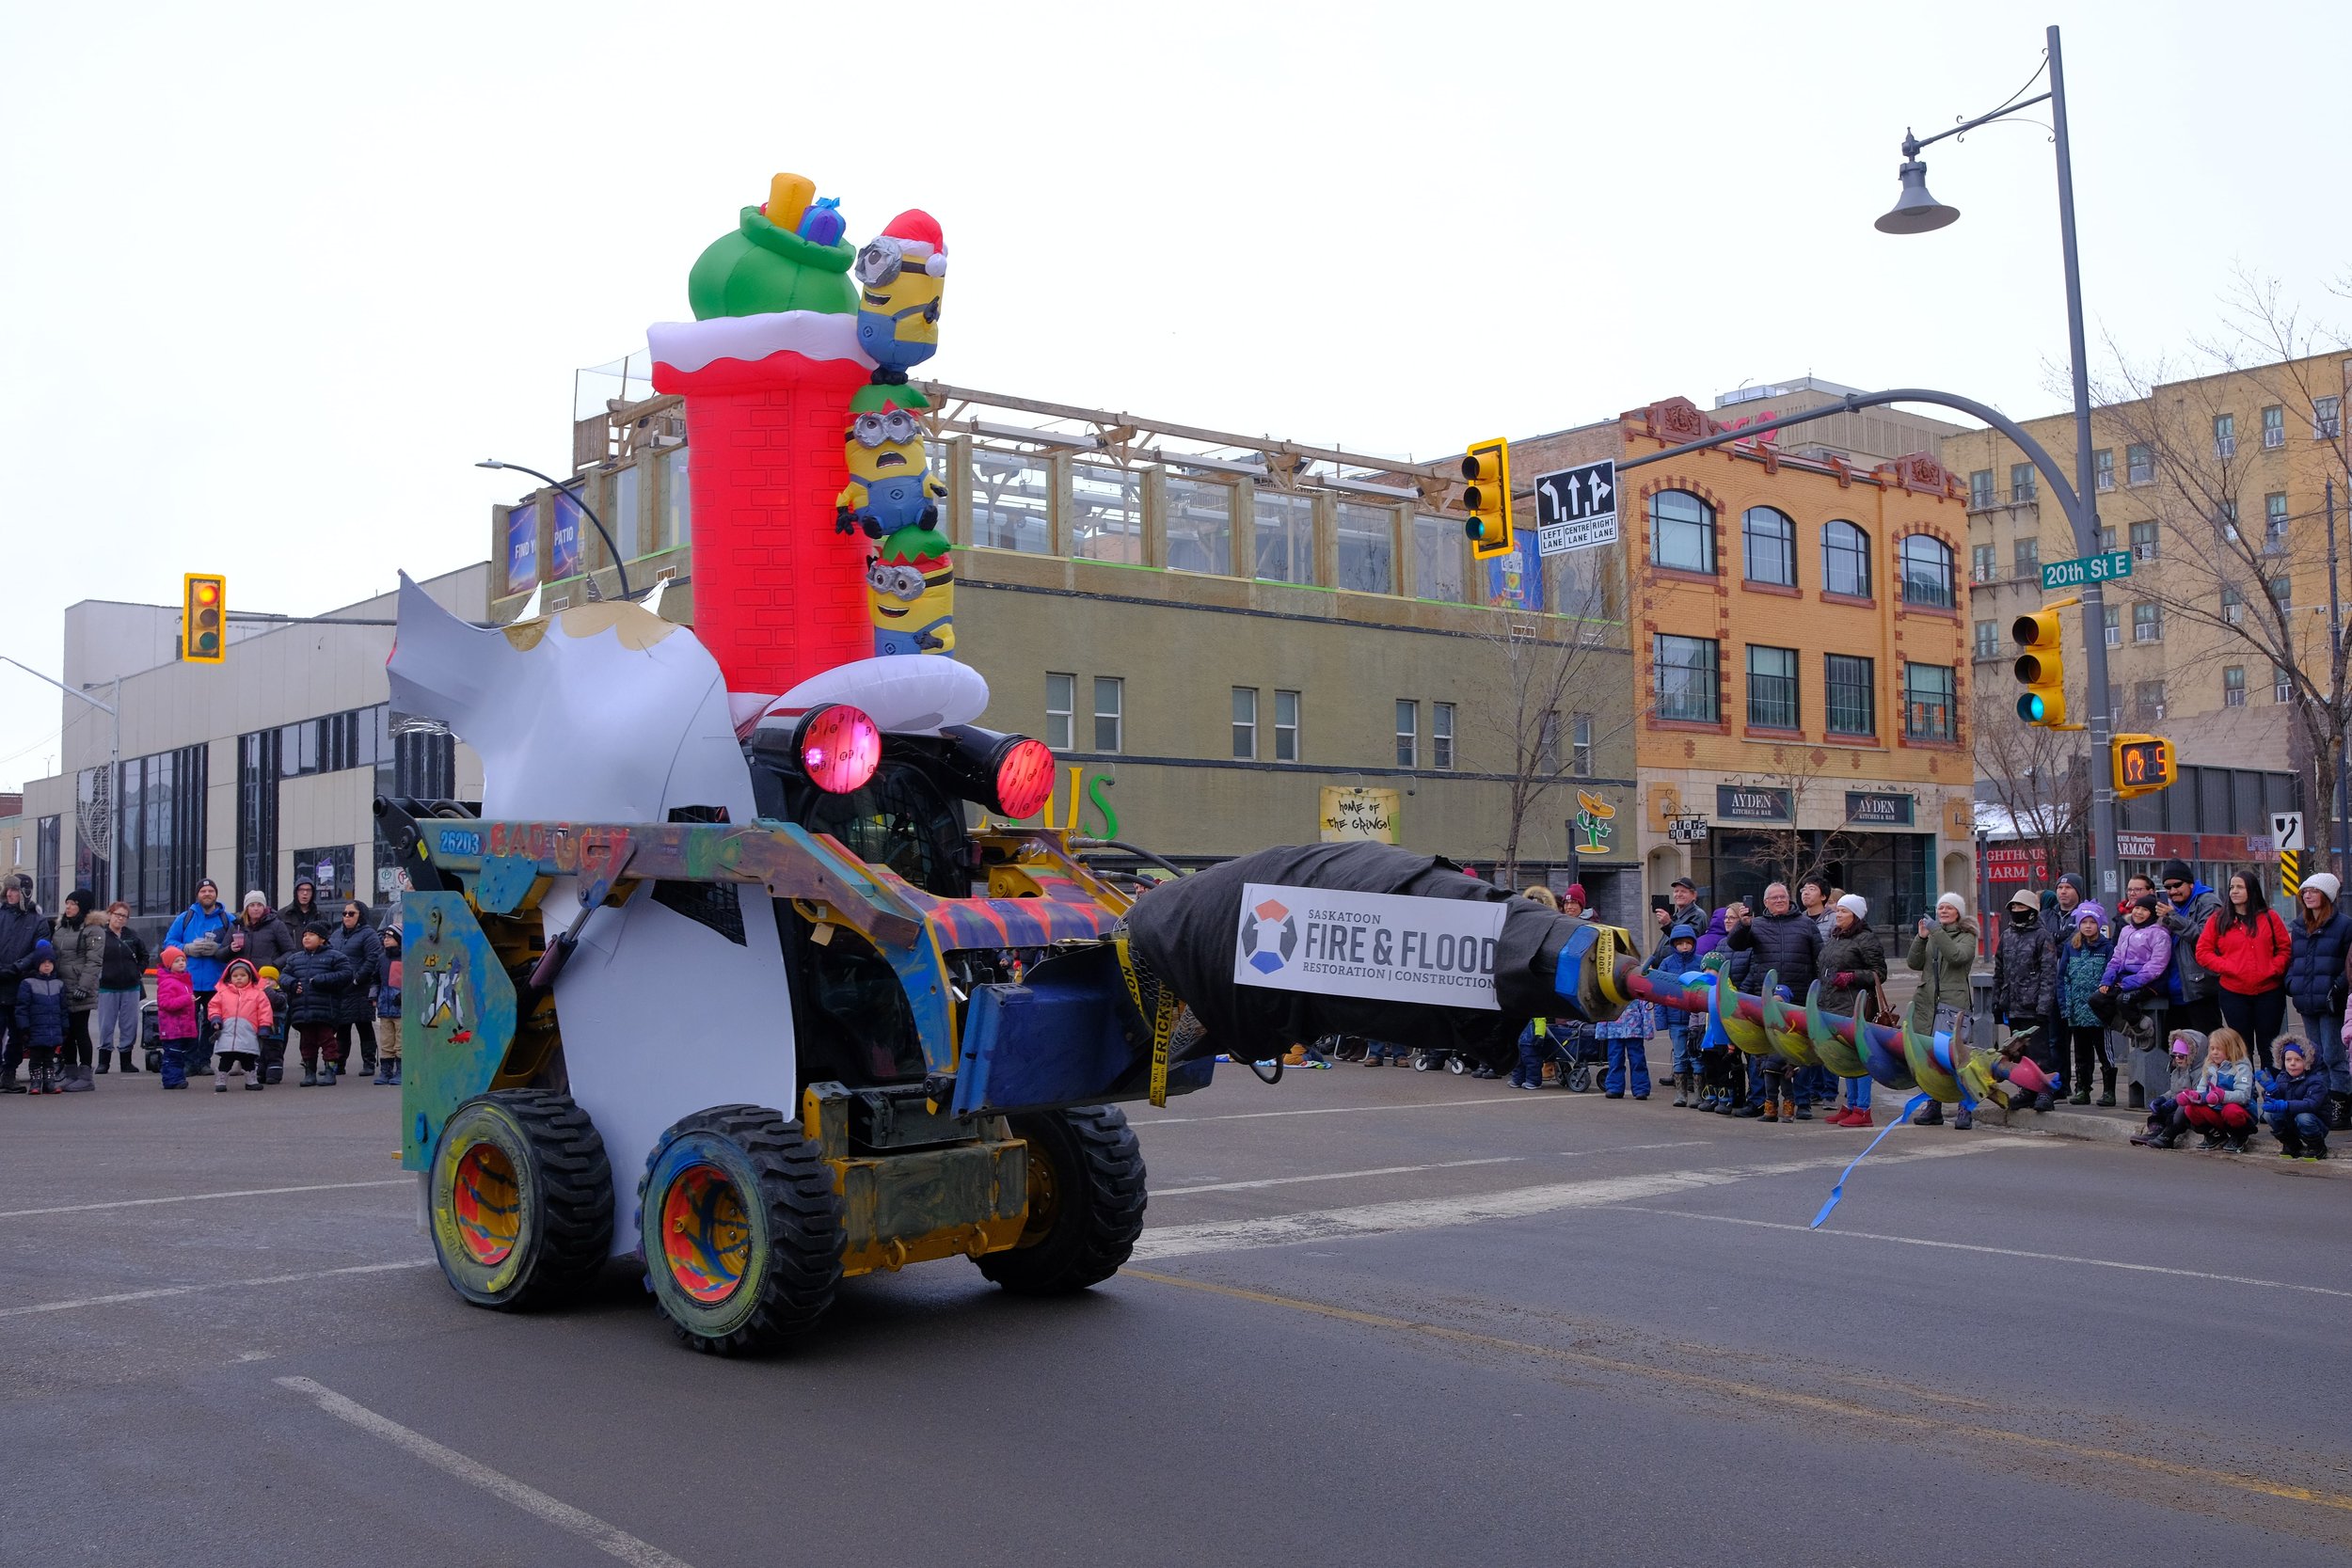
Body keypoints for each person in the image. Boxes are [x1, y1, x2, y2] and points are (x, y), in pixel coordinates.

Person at [1727, 882, 1821, 1121]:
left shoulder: (1806, 924)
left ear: (1789, 899)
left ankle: (1802, 1103)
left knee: (1798, 1053)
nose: (1779, 901)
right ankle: (1763, 1102)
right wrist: (1743, 925)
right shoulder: (1756, 924)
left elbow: (1820, 959)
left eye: (1783, 897)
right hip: (1766, 999)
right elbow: (1735, 944)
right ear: (1765, 902)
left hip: (1798, 999)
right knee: (1763, 1053)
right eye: (1774, 898)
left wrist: (1819, 993)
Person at [2195, 871, 2291, 1073]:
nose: (2234, 891)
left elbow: (2285, 949)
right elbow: (2203, 952)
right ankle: (2246, 1093)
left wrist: (2273, 968)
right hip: (2234, 993)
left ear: (2252, 889)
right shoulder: (2219, 919)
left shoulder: (2270, 917)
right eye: (2231, 887)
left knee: (2270, 1046)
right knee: (2240, 1047)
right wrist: (2227, 967)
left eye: (2240, 887)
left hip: (2269, 992)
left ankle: (2272, 1095)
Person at [2282, 872, 2352, 1132]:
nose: (2308, 895)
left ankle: (2341, 1104)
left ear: (2328, 896)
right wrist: (2292, 983)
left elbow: (2349, 963)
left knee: (2334, 1054)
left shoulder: (2344, 925)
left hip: (2331, 999)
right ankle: (2321, 1101)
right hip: (2306, 998)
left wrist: (2337, 987)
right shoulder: (2299, 926)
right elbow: (2293, 960)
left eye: (2314, 891)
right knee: (2315, 1056)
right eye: (2305, 892)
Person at [1908, 892, 1979, 1129]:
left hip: (1952, 1006)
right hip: (1928, 1004)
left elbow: (1957, 956)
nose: (1943, 912)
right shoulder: (1932, 935)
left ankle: (1964, 1109)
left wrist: (1936, 932)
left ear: (1958, 912)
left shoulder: (1967, 936)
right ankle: (1933, 1106)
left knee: (1957, 1059)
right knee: (1931, 1059)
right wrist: (1921, 937)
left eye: (1949, 908)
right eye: (1940, 908)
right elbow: (1914, 963)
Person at [1818, 893, 1887, 1128]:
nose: (1838, 915)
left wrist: (1852, 976)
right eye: (1837, 911)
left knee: (1860, 1059)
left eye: (1844, 912)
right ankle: (1850, 1104)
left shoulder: (1866, 939)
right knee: (1847, 1058)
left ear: (1855, 915)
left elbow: (1879, 973)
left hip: (1856, 1007)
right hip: (1834, 1005)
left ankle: (1863, 1108)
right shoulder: (1836, 937)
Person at [1991, 888, 2060, 1109]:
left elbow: (2049, 974)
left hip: (2034, 1007)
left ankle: (2045, 1091)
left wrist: (2043, 1007)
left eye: (2021, 907)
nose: (2016, 911)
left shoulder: (2042, 936)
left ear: (2032, 911)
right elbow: (1999, 970)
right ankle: (2027, 1090)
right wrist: (1997, 1002)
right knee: (2018, 1053)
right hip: (2013, 1005)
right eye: (2014, 907)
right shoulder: (2007, 936)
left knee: (2040, 1053)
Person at [163, 879, 234, 1070]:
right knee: (188, 1022)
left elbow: (236, 946)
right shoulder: (185, 918)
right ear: (198, 895)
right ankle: (189, 1061)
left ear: (216, 894)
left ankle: (204, 1061)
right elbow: (168, 943)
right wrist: (186, 948)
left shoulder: (228, 919)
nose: (207, 894)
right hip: (188, 982)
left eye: (211, 890)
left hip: (216, 981)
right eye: (203, 891)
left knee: (213, 1023)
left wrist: (218, 949)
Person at [2054, 902, 2116, 1105]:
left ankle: (2109, 1091)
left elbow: (2112, 975)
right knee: (2081, 1054)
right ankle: (2082, 1089)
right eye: (2084, 922)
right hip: (2077, 1012)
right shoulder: (2071, 948)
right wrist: (2065, 1005)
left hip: (2099, 1012)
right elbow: (2063, 977)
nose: (2088, 926)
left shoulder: (2107, 948)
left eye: (2092, 922)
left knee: (2104, 1052)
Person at [49, 888, 107, 1092]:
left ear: (82, 906)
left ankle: (85, 1076)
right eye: (67, 903)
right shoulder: (61, 928)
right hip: (61, 987)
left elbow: (94, 962)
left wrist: (83, 986)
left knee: (80, 1030)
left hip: (80, 988)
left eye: (73, 903)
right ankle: (70, 1072)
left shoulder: (93, 930)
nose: (68, 907)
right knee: (66, 1033)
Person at [2157, 861, 2223, 1036]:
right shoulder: (2170, 907)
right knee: (2178, 1051)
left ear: (2191, 883)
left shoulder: (2208, 903)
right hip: (2173, 993)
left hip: (2200, 990)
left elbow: (2205, 937)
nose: (2172, 891)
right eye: (2167, 887)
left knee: (2208, 1046)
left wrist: (2172, 917)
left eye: (2177, 885)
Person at [281, 921, 352, 1085]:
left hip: (326, 1009)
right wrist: (291, 984)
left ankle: (330, 1072)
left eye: (311, 935)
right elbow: (283, 976)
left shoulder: (335, 956)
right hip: (302, 1011)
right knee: (307, 1043)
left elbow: (346, 974)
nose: (306, 938)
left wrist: (323, 980)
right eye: (305, 935)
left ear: (322, 939)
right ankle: (309, 1073)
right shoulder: (295, 959)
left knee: (328, 1042)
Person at [0, 873, 47, 1092]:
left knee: (18, 1034)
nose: (9, 893)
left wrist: (17, 967)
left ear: (25, 892)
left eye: (14, 890)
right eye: (8, 889)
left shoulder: (37, 920)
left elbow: (40, 950)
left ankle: (9, 1073)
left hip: (21, 985)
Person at [2177, 1026, 2258, 1152]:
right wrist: (2193, 1096)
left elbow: (2243, 1096)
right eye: (2212, 1048)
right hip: (2217, 1110)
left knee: (2231, 1111)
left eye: (2219, 1049)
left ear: (2231, 1049)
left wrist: (2221, 1095)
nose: (2214, 1052)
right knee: (2190, 1109)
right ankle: (2216, 1135)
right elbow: (2202, 1090)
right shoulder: (2210, 1066)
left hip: (2240, 1111)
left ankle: (2240, 1136)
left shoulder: (2241, 1067)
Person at [1649, 922, 1702, 1105]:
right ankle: (1680, 1095)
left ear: (1693, 943)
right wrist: (1661, 1020)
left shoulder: (1700, 962)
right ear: (1673, 944)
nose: (1684, 947)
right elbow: (1659, 994)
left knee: (1696, 1056)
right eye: (1680, 943)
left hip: (1695, 1019)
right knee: (1679, 1055)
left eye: (1688, 943)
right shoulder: (1666, 963)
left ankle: (1698, 1095)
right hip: (1675, 1019)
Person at [94, 900, 148, 1075]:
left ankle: (126, 1061)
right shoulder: (100, 936)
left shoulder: (132, 936)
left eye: (124, 916)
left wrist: (138, 972)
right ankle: (104, 1062)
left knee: (129, 1025)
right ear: (109, 914)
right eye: (117, 914)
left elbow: (144, 955)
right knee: (106, 1025)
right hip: (107, 987)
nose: (120, 918)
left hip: (130, 987)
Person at [2130, 1028, 2208, 1148]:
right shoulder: (2178, 1070)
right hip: (2177, 1103)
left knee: (2176, 1115)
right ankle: (2155, 1131)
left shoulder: (2200, 1073)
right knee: (2158, 1112)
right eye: (2174, 1055)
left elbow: (2197, 1094)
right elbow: (2174, 1089)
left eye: (2181, 1056)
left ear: (2193, 1054)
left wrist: (2176, 1100)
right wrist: (2163, 1098)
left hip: (2189, 1107)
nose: (2177, 1059)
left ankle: (2167, 1136)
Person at [330, 901, 381, 1076]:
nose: (346, 917)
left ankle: (368, 1063)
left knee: (364, 1026)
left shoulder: (369, 935)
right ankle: (339, 1063)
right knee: (342, 1027)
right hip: (341, 988)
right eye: (344, 913)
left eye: (351, 914)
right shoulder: (336, 935)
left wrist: (358, 979)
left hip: (361, 988)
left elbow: (372, 959)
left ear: (361, 915)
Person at [207, 958, 272, 1092]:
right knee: (226, 1058)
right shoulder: (222, 993)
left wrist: (264, 1026)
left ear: (250, 976)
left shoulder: (258, 994)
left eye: (243, 975)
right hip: (227, 1032)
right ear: (229, 978)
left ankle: (251, 1080)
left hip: (248, 1032)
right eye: (235, 976)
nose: (239, 978)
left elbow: (265, 1011)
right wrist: (216, 1019)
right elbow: (214, 1006)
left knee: (248, 1058)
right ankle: (221, 1079)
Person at [13, 941, 70, 1095]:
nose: (47, 966)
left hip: (52, 1030)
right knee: (36, 1058)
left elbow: (63, 1009)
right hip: (35, 1029)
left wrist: (64, 1026)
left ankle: (49, 1083)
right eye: (43, 963)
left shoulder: (58, 984)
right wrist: (24, 1027)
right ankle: (36, 1083)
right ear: (37, 964)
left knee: (49, 1059)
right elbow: (22, 1008)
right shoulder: (28, 983)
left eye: (50, 962)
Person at [2265, 1039, 2330, 1161]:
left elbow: (2311, 1104)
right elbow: (2276, 1102)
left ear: (2308, 1061)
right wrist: (2270, 1091)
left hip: (2315, 1122)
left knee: (2304, 1117)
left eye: (2298, 1059)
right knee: (2269, 1114)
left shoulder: (2316, 1081)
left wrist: (2285, 1105)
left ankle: (2317, 1146)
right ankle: (2292, 1144)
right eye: (2288, 1060)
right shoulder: (2282, 1077)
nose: (2292, 1063)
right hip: (2291, 1120)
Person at [154, 945, 199, 1090]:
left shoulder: (185, 980)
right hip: (172, 1027)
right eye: (177, 961)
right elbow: (165, 1003)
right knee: (173, 1055)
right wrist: (186, 1000)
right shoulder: (168, 982)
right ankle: (171, 1080)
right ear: (169, 964)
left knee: (180, 1055)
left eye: (183, 960)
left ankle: (177, 1078)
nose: (181, 963)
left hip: (183, 1027)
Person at [372, 927, 404, 1085]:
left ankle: (401, 1070)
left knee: (401, 1039)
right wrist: (373, 995)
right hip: (384, 1005)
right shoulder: (382, 959)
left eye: (390, 937)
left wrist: (404, 995)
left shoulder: (406, 958)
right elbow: (375, 979)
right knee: (386, 1040)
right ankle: (386, 1071)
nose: (386, 940)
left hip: (401, 1007)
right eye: (385, 937)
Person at [256, 966, 290, 1085]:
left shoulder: (280, 994)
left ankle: (274, 1075)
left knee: (274, 1054)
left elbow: (277, 1002)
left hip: (275, 1030)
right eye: (264, 978)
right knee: (260, 1054)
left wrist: (266, 990)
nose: (267, 981)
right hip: (260, 1030)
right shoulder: (256, 993)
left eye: (271, 979)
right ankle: (261, 1074)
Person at [279, 878, 325, 942]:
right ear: (296, 892)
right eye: (301, 890)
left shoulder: (320, 915)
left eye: (308, 890)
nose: (305, 893)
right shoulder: (283, 915)